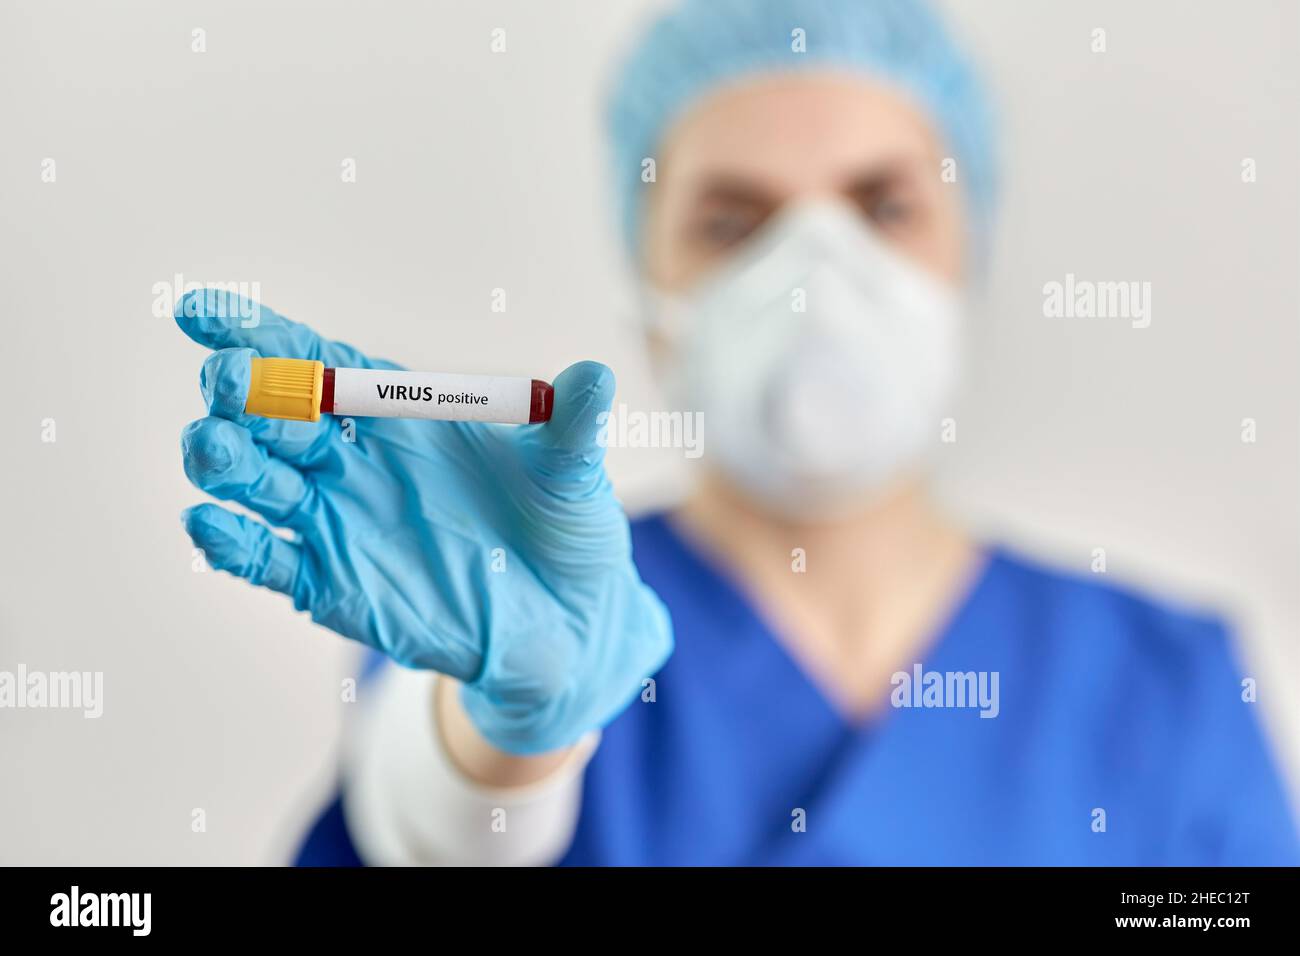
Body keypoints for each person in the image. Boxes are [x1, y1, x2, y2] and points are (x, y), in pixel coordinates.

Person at [176, 0, 1299, 865]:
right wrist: (506, 735)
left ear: (971, 247)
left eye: (882, 206)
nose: (815, 274)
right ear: (650, 289)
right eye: (733, 221)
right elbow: (423, 821)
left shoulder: (1165, 685)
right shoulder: (516, 595)